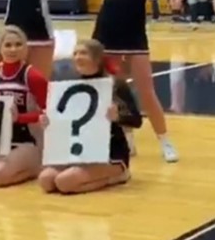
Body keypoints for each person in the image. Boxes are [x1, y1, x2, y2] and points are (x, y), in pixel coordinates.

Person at [80, 0, 178, 163]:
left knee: (147, 91)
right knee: (115, 91)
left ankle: (165, 140)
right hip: (107, 36)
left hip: (134, 37)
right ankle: (126, 138)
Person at [38, 40, 144, 194]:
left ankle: (118, 175)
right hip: (80, 151)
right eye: (75, 53)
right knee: (46, 180)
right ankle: (85, 176)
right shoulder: (70, 85)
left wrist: (118, 117)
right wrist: (49, 122)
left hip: (110, 152)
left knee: (65, 182)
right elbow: (67, 122)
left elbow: (136, 120)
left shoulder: (115, 84)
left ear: (97, 58)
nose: (78, 57)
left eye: (83, 53)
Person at [0, 25, 48, 188]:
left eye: (18, 44)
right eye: (8, 45)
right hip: (1, 142)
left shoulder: (33, 76)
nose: (13, 49)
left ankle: (37, 165)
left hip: (28, 141)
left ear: (25, 48)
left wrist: (20, 118)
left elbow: (49, 112)